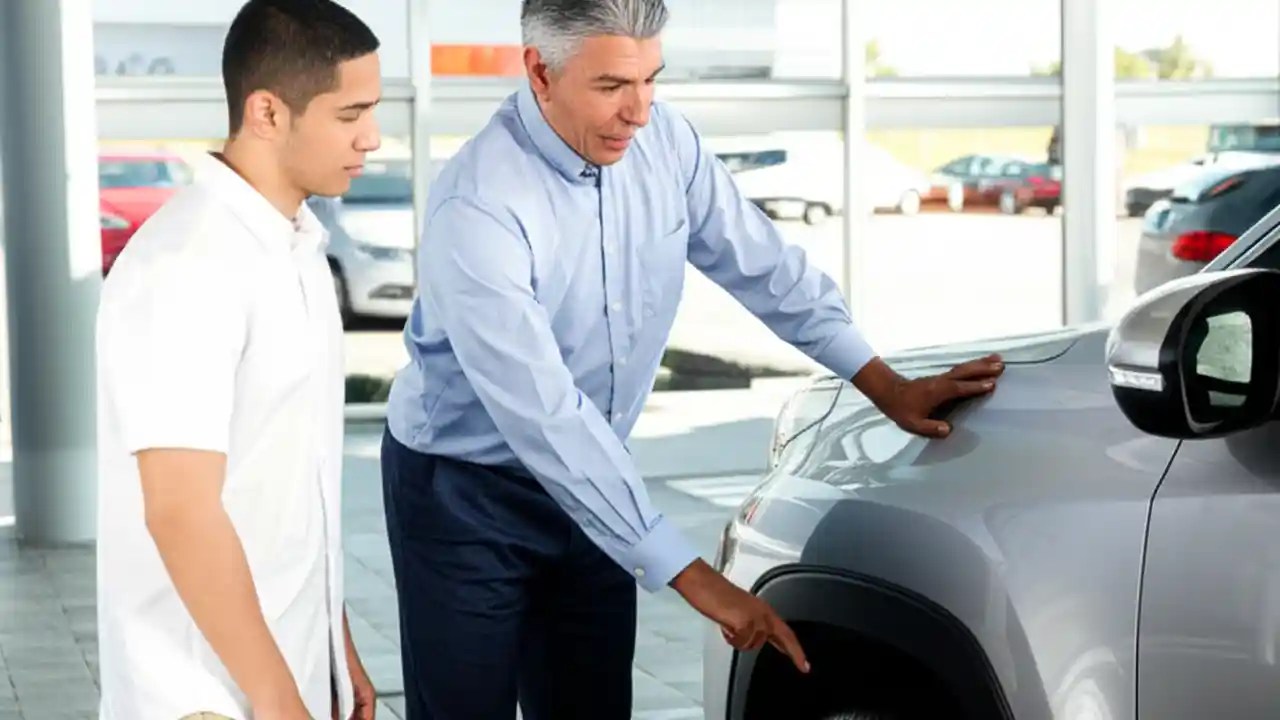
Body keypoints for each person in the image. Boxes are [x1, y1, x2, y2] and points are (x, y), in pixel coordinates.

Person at [380, 0, 1005, 717]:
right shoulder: (480, 205)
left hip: (596, 472)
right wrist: (696, 579)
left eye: (652, 80)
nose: (638, 111)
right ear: (539, 72)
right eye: (613, 86)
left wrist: (883, 383)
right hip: (463, 492)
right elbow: (545, 414)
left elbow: (765, 267)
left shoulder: (664, 143)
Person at [94, 1, 384, 718]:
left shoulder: (298, 250)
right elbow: (180, 509)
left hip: (286, 673)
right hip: (206, 697)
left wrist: (332, 649)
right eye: (350, 116)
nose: (372, 138)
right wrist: (281, 699)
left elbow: (293, 486)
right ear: (266, 112)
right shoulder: (187, 263)